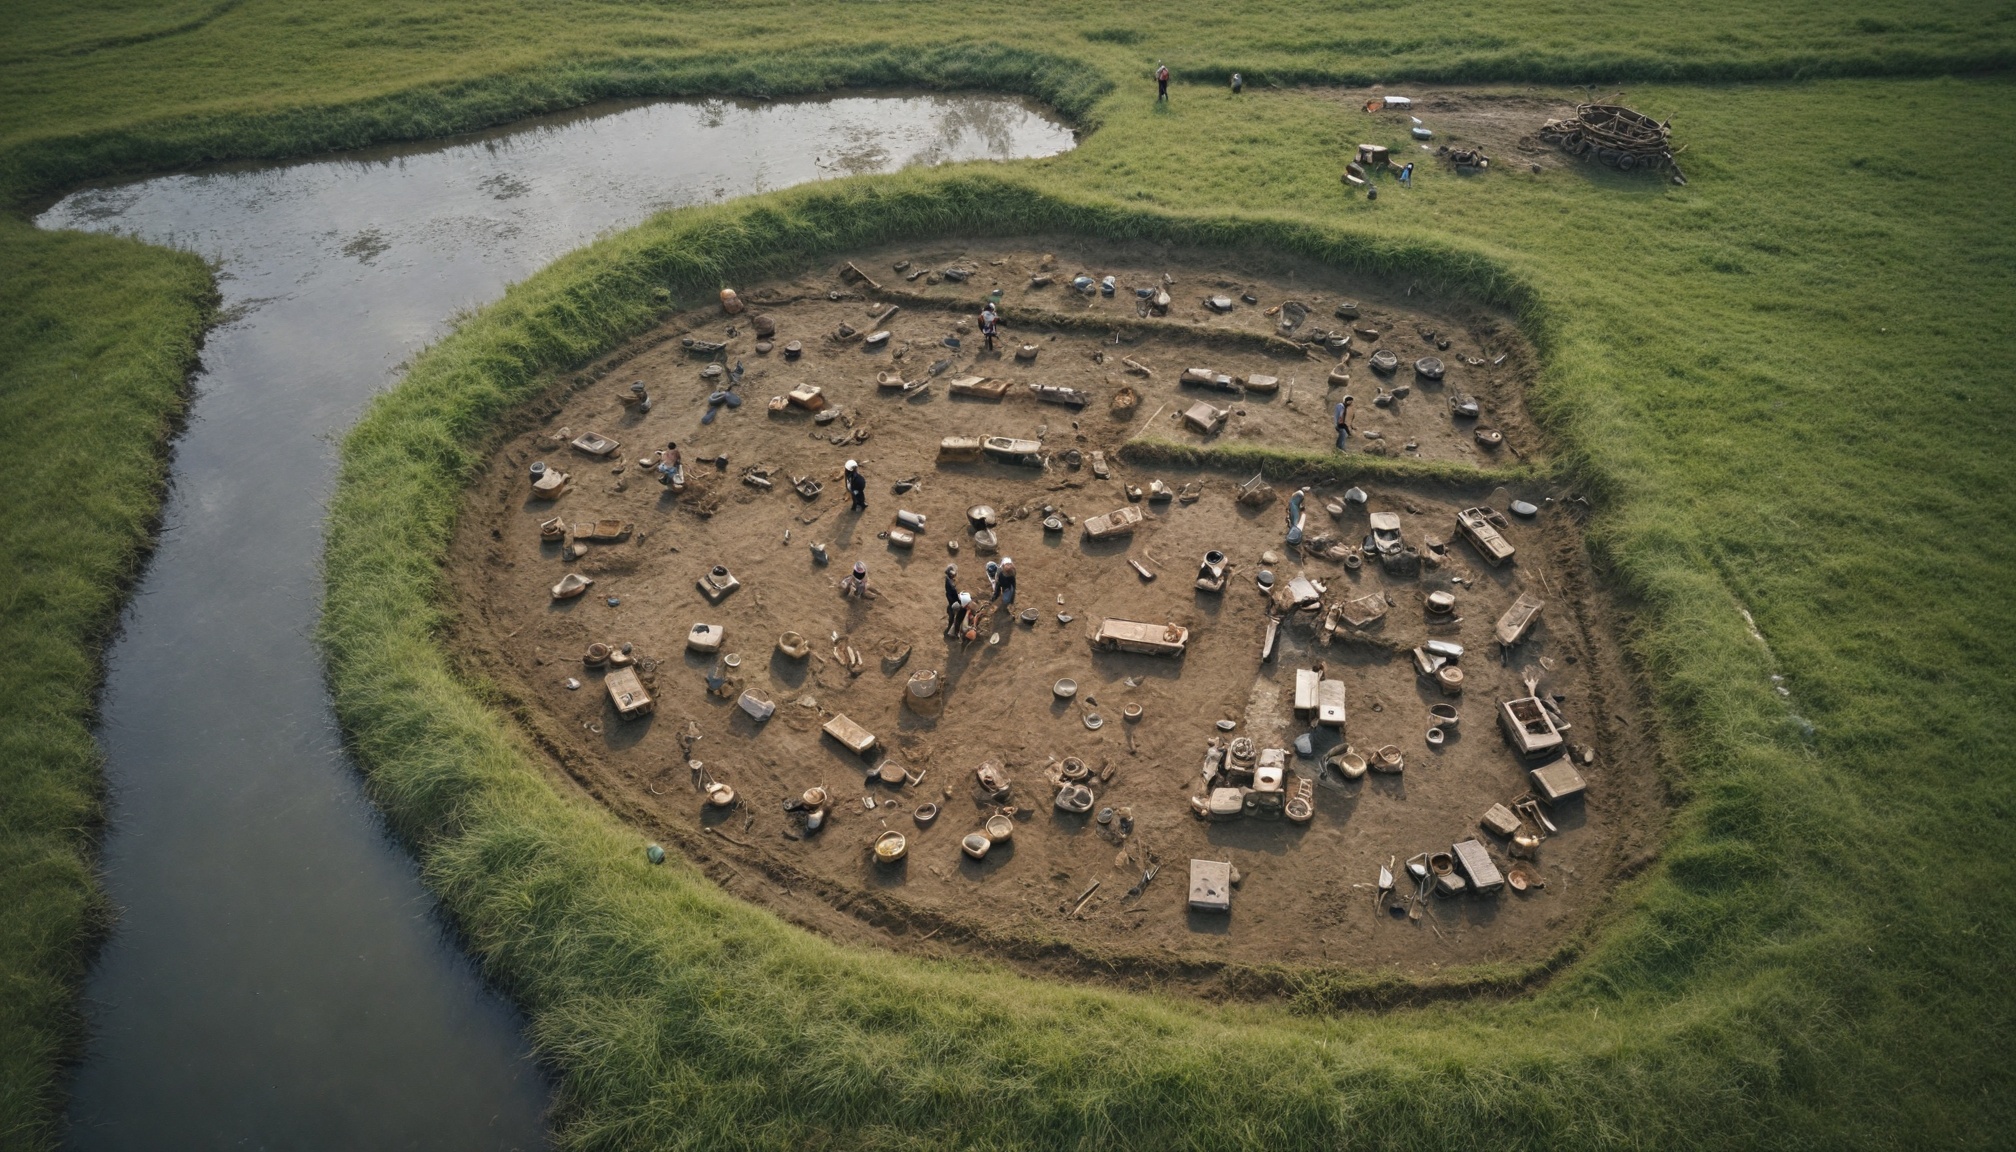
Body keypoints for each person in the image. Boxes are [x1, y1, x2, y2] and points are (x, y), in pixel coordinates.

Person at [943, 564, 964, 636]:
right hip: (953, 600)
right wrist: (960, 600)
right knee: (956, 616)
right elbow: (955, 595)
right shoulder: (951, 586)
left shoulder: (947, 579)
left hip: (950, 597)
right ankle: (952, 632)